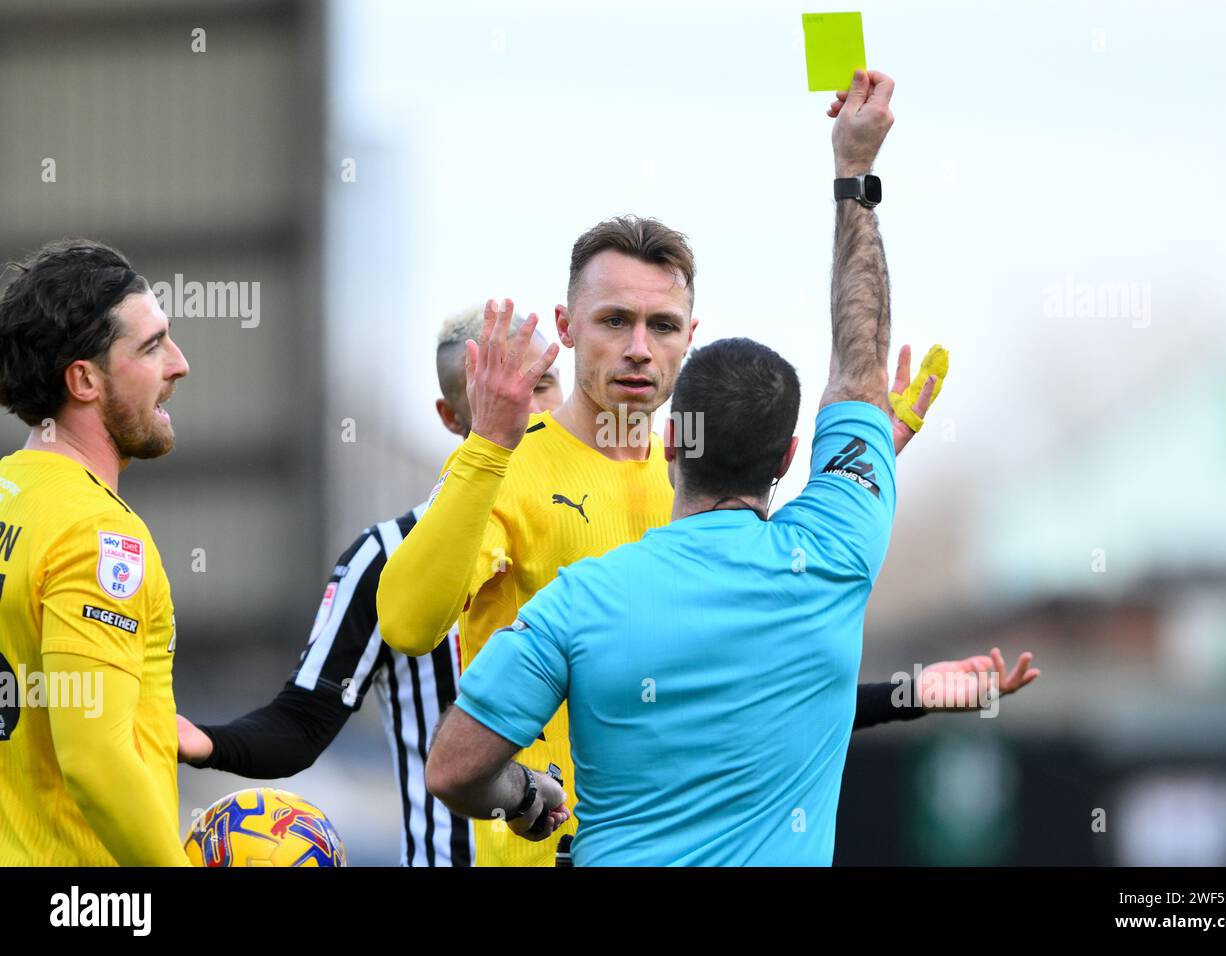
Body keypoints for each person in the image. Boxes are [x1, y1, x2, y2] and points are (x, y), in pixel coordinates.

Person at [425, 69, 1038, 864]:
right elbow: (860, 367)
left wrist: (524, 797)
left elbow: (454, 769)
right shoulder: (835, 555)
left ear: (672, 440)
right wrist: (854, 170)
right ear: (789, 456)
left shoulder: (578, 603)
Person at [378, 184, 951, 868]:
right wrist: (487, 449)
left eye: (662, 325)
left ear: (691, 337)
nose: (639, 349)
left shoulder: (691, 474)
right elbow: (408, 625)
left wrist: (865, 466)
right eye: (614, 321)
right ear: (565, 327)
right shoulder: (505, 462)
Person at [175, 306, 562, 866]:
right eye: (494, 392)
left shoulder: (617, 534)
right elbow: (303, 723)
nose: (526, 406)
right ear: (451, 416)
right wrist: (205, 742)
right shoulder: (384, 557)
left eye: (541, 383)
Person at [0, 239, 192, 865]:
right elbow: (96, 763)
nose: (179, 364)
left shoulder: (10, 497)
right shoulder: (100, 537)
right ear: (84, 379)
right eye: (151, 346)